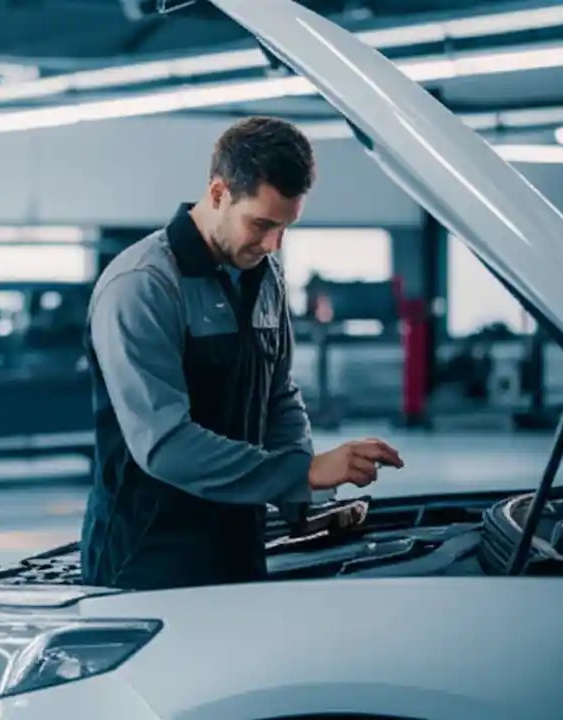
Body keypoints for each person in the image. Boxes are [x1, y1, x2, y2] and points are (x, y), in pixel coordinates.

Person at [80, 116, 405, 591]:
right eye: (262, 224)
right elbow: (165, 444)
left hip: (239, 546)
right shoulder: (143, 286)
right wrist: (302, 472)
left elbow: (278, 394)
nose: (273, 244)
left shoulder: (265, 277)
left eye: (286, 227)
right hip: (147, 560)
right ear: (218, 194)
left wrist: (300, 502)